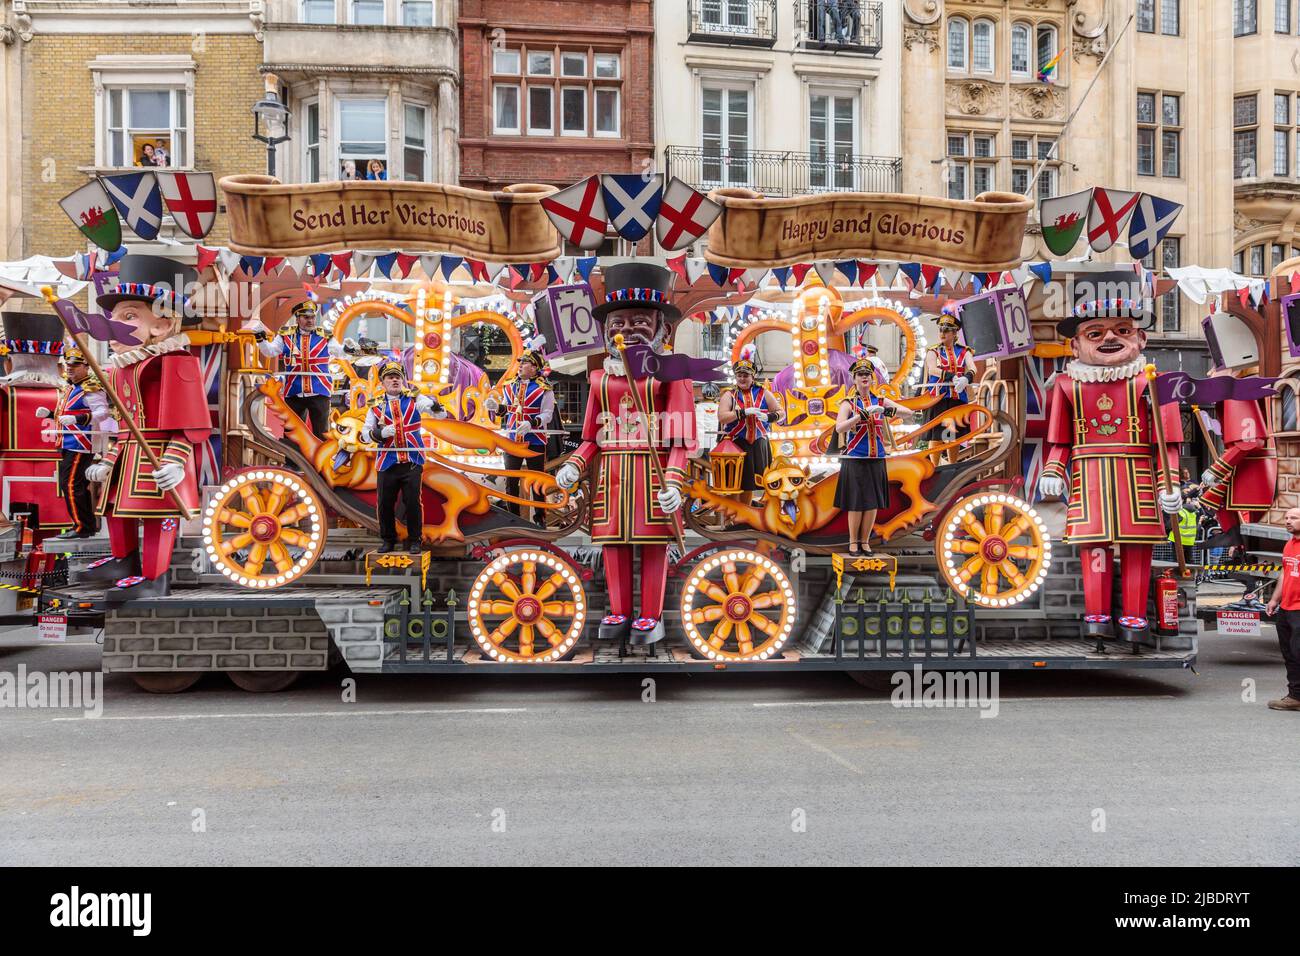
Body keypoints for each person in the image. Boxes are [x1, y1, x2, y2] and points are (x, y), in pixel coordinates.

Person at [553, 262, 696, 645]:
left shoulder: (673, 373)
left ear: (660, 328)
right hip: (613, 475)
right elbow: (589, 437)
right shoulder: (599, 378)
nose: (627, 332)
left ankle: (650, 616)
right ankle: (618, 611)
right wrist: (573, 464)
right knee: (613, 544)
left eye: (639, 324)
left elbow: (680, 438)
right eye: (618, 324)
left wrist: (675, 482)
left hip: (653, 474)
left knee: (652, 547)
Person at [1037, 303, 1183, 642]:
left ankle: (1134, 618)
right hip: (1090, 476)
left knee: (1138, 546)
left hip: (1138, 476)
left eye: (1122, 330)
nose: (1109, 338)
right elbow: (1059, 439)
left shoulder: (1153, 381)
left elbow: (1168, 443)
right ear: (1075, 345)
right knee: (1095, 545)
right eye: (1095, 333)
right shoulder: (1066, 384)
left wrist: (1169, 484)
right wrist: (1053, 470)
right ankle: (1097, 615)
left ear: (1140, 338)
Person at [78, 254, 212, 601]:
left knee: (158, 516)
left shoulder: (175, 363)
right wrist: (107, 461)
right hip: (128, 455)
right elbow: (124, 427)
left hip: (160, 456)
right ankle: (124, 560)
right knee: (113, 509)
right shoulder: (121, 368)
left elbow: (189, 423)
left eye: (129, 316)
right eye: (113, 318)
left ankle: (155, 576)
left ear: (163, 326)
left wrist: (175, 461)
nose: (113, 326)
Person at [0, 312, 74, 538]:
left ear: (9, 363)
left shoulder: (5, 394)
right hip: (58, 478)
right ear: (59, 366)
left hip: (9, 478)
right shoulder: (70, 396)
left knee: (12, 540)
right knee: (54, 539)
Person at [362, 361, 445, 553]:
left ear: (403, 381)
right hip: (387, 462)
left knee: (413, 502)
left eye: (398, 377)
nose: (394, 380)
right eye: (390, 377)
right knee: (384, 504)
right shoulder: (375, 405)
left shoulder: (415, 398)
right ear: (383, 382)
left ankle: (415, 540)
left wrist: (434, 406)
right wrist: (381, 434)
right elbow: (365, 435)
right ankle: (388, 540)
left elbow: (439, 414)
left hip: (412, 461)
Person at [834, 354, 907, 554]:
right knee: (856, 503)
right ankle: (853, 542)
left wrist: (885, 411)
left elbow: (907, 412)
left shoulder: (881, 400)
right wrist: (859, 416)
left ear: (872, 378)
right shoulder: (848, 403)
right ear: (854, 379)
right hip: (856, 458)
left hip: (876, 458)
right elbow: (839, 428)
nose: (864, 377)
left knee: (872, 502)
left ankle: (865, 542)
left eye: (867, 374)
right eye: (860, 374)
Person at [249, 300, 346, 441]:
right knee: (291, 432)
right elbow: (269, 351)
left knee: (322, 433)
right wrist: (260, 339)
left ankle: (320, 463)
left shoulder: (325, 336)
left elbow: (340, 352)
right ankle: (291, 463)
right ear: (298, 318)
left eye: (312, 317)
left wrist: (350, 349)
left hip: (319, 391)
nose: (310, 320)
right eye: (306, 317)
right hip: (294, 391)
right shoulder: (285, 335)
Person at [486, 347, 555, 521]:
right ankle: (513, 518)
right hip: (512, 440)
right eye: (521, 362)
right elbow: (508, 410)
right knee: (511, 481)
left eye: (525, 362)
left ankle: (540, 518)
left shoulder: (544, 388)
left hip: (535, 440)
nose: (520, 365)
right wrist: (496, 408)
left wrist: (531, 423)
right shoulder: (509, 386)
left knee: (537, 480)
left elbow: (548, 414)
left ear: (534, 367)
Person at [48, 347, 104, 539]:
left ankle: (81, 526)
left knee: (71, 484)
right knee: (74, 484)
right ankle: (85, 525)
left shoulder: (90, 387)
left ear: (86, 367)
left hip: (81, 443)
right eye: (68, 365)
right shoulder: (71, 387)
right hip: (68, 442)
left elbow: (102, 413)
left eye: (75, 365)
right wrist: (48, 414)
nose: (70, 368)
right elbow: (66, 413)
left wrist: (79, 419)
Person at [717, 347, 784, 501]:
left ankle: (746, 514)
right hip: (736, 443)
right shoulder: (729, 394)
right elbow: (722, 417)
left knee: (750, 483)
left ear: (752, 376)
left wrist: (771, 417)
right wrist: (742, 413)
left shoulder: (763, 392)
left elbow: (782, 412)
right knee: (735, 482)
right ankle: (734, 516)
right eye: (739, 375)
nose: (742, 378)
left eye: (745, 375)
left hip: (759, 442)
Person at [1264, 506, 1300, 711]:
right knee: (1289, 654)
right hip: (1286, 608)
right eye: (1286, 518)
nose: (1288, 521)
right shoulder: (1289, 544)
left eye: (1294, 518)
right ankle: (1295, 696)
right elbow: (1285, 573)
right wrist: (1274, 599)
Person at [921, 312, 975, 439]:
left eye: (946, 330)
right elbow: (932, 370)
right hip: (937, 398)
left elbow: (973, 367)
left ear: (955, 333)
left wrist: (966, 378)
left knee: (953, 437)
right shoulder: (933, 351)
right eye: (941, 330)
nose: (942, 333)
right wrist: (951, 376)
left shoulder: (964, 351)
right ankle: (934, 460)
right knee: (936, 437)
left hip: (957, 398)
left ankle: (953, 460)